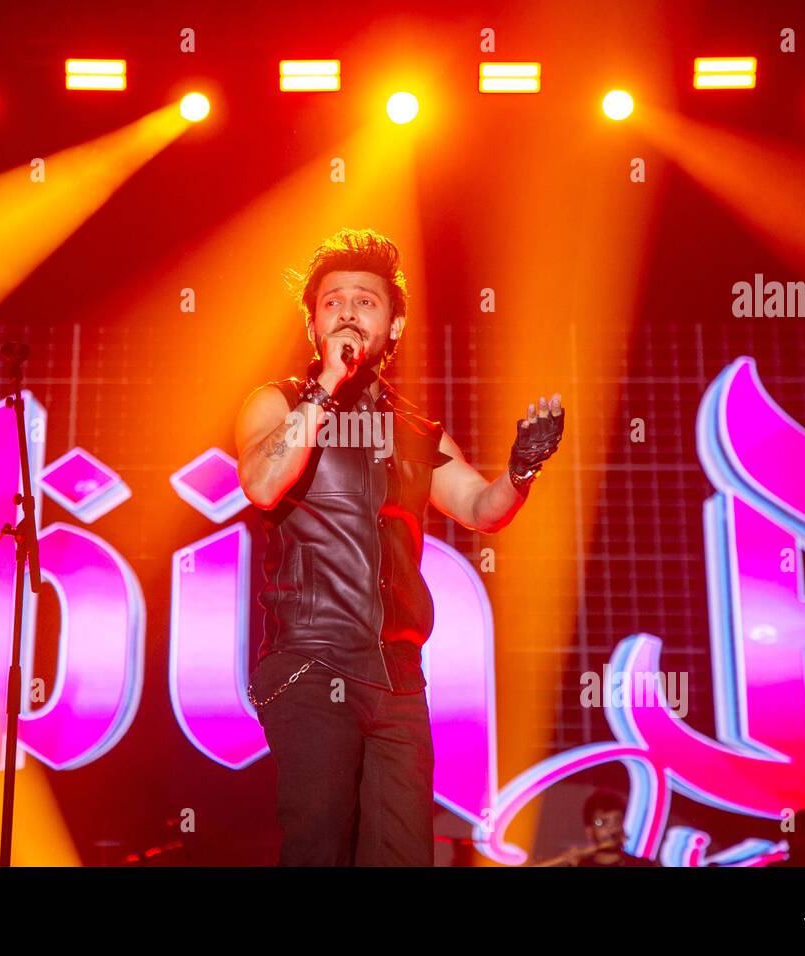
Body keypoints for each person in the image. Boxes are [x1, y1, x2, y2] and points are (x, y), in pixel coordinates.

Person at [235, 227, 564, 865]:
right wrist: (325, 388)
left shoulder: (414, 430)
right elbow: (263, 483)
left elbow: (478, 509)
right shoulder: (275, 403)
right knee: (318, 848)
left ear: (395, 323)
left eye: (366, 300)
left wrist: (521, 470)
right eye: (332, 302)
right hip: (311, 662)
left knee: (404, 854)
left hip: (397, 679)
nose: (349, 312)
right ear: (313, 326)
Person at [537, 789, 657, 867]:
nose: (612, 829)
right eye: (602, 823)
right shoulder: (579, 865)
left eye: (617, 821)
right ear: (589, 832)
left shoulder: (643, 865)